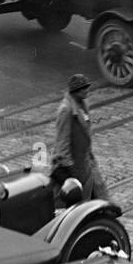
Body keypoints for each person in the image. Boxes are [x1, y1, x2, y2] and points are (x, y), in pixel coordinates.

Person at [50, 74, 107, 203]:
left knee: (97, 196)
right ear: (75, 91)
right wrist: (70, 172)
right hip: (73, 167)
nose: (87, 90)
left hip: (85, 163)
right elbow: (62, 142)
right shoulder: (66, 110)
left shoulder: (82, 104)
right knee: (77, 202)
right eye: (84, 88)